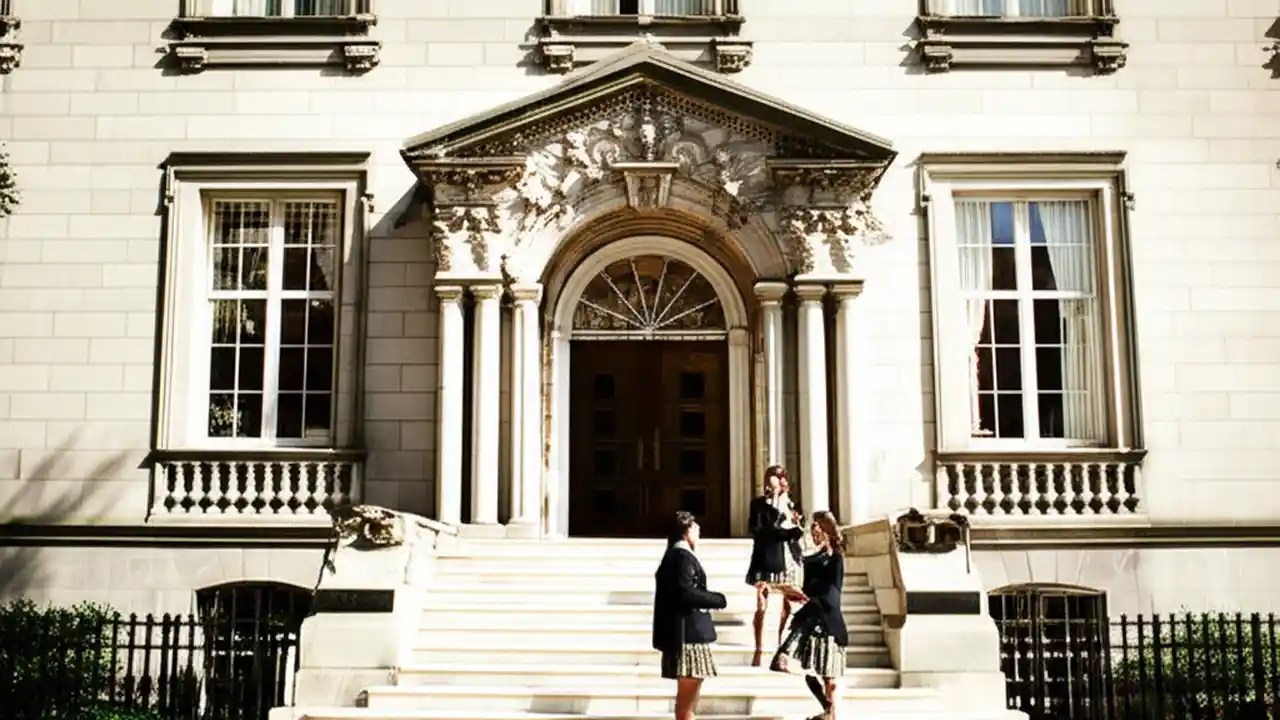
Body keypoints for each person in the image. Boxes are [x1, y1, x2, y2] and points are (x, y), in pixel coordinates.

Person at [771, 511, 849, 720]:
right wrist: (795, 593)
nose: (814, 533)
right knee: (809, 672)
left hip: (826, 618)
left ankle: (830, 713)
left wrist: (807, 597)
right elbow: (808, 583)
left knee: (829, 676)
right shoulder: (811, 557)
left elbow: (830, 591)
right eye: (812, 530)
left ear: (826, 530)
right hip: (812, 616)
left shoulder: (835, 557)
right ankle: (828, 711)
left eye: (817, 529)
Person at [653, 511, 728, 720]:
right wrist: (716, 599)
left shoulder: (675, 556)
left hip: (686, 632)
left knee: (690, 690)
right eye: (695, 527)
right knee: (688, 691)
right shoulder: (680, 557)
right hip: (687, 634)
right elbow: (684, 592)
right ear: (686, 530)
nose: (699, 531)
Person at [745, 465, 805, 666]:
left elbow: (798, 528)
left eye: (778, 480)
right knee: (762, 605)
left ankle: (782, 649)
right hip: (767, 558)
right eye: (771, 480)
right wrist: (776, 505)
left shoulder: (790, 505)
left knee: (788, 606)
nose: (774, 485)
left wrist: (796, 527)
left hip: (790, 558)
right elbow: (757, 528)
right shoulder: (759, 504)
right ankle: (759, 649)